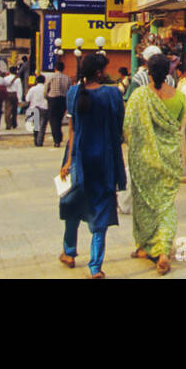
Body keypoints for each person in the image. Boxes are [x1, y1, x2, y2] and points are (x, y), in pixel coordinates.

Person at [58, 53, 126, 279]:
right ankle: (95, 267)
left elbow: (72, 129)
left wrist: (68, 161)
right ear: (99, 72)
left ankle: (69, 252)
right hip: (105, 160)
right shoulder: (113, 94)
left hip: (79, 158)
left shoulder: (73, 93)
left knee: (74, 203)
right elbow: (118, 127)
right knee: (101, 210)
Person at [125, 53, 184, 275]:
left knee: (144, 204)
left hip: (144, 160)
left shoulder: (139, 96)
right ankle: (163, 252)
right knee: (166, 205)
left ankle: (143, 246)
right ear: (169, 71)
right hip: (169, 159)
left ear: (148, 72)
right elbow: (176, 125)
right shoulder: (179, 98)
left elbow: (128, 126)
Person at [44, 64, 71, 148]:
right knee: (59, 119)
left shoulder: (50, 77)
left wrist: (47, 97)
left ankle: (57, 139)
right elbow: (69, 90)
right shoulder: (67, 78)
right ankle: (58, 136)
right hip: (63, 100)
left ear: (55, 68)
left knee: (53, 120)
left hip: (53, 99)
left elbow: (45, 89)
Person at [24, 75, 49, 147]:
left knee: (36, 125)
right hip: (44, 108)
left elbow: (27, 99)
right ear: (44, 81)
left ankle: (36, 138)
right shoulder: (46, 89)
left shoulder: (32, 89)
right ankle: (40, 141)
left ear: (36, 81)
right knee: (42, 126)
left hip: (34, 108)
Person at [4, 66, 22, 131]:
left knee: (7, 110)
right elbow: (19, 89)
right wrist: (19, 99)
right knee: (14, 110)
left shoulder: (5, 78)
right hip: (15, 94)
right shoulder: (18, 79)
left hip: (7, 94)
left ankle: (8, 124)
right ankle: (14, 123)